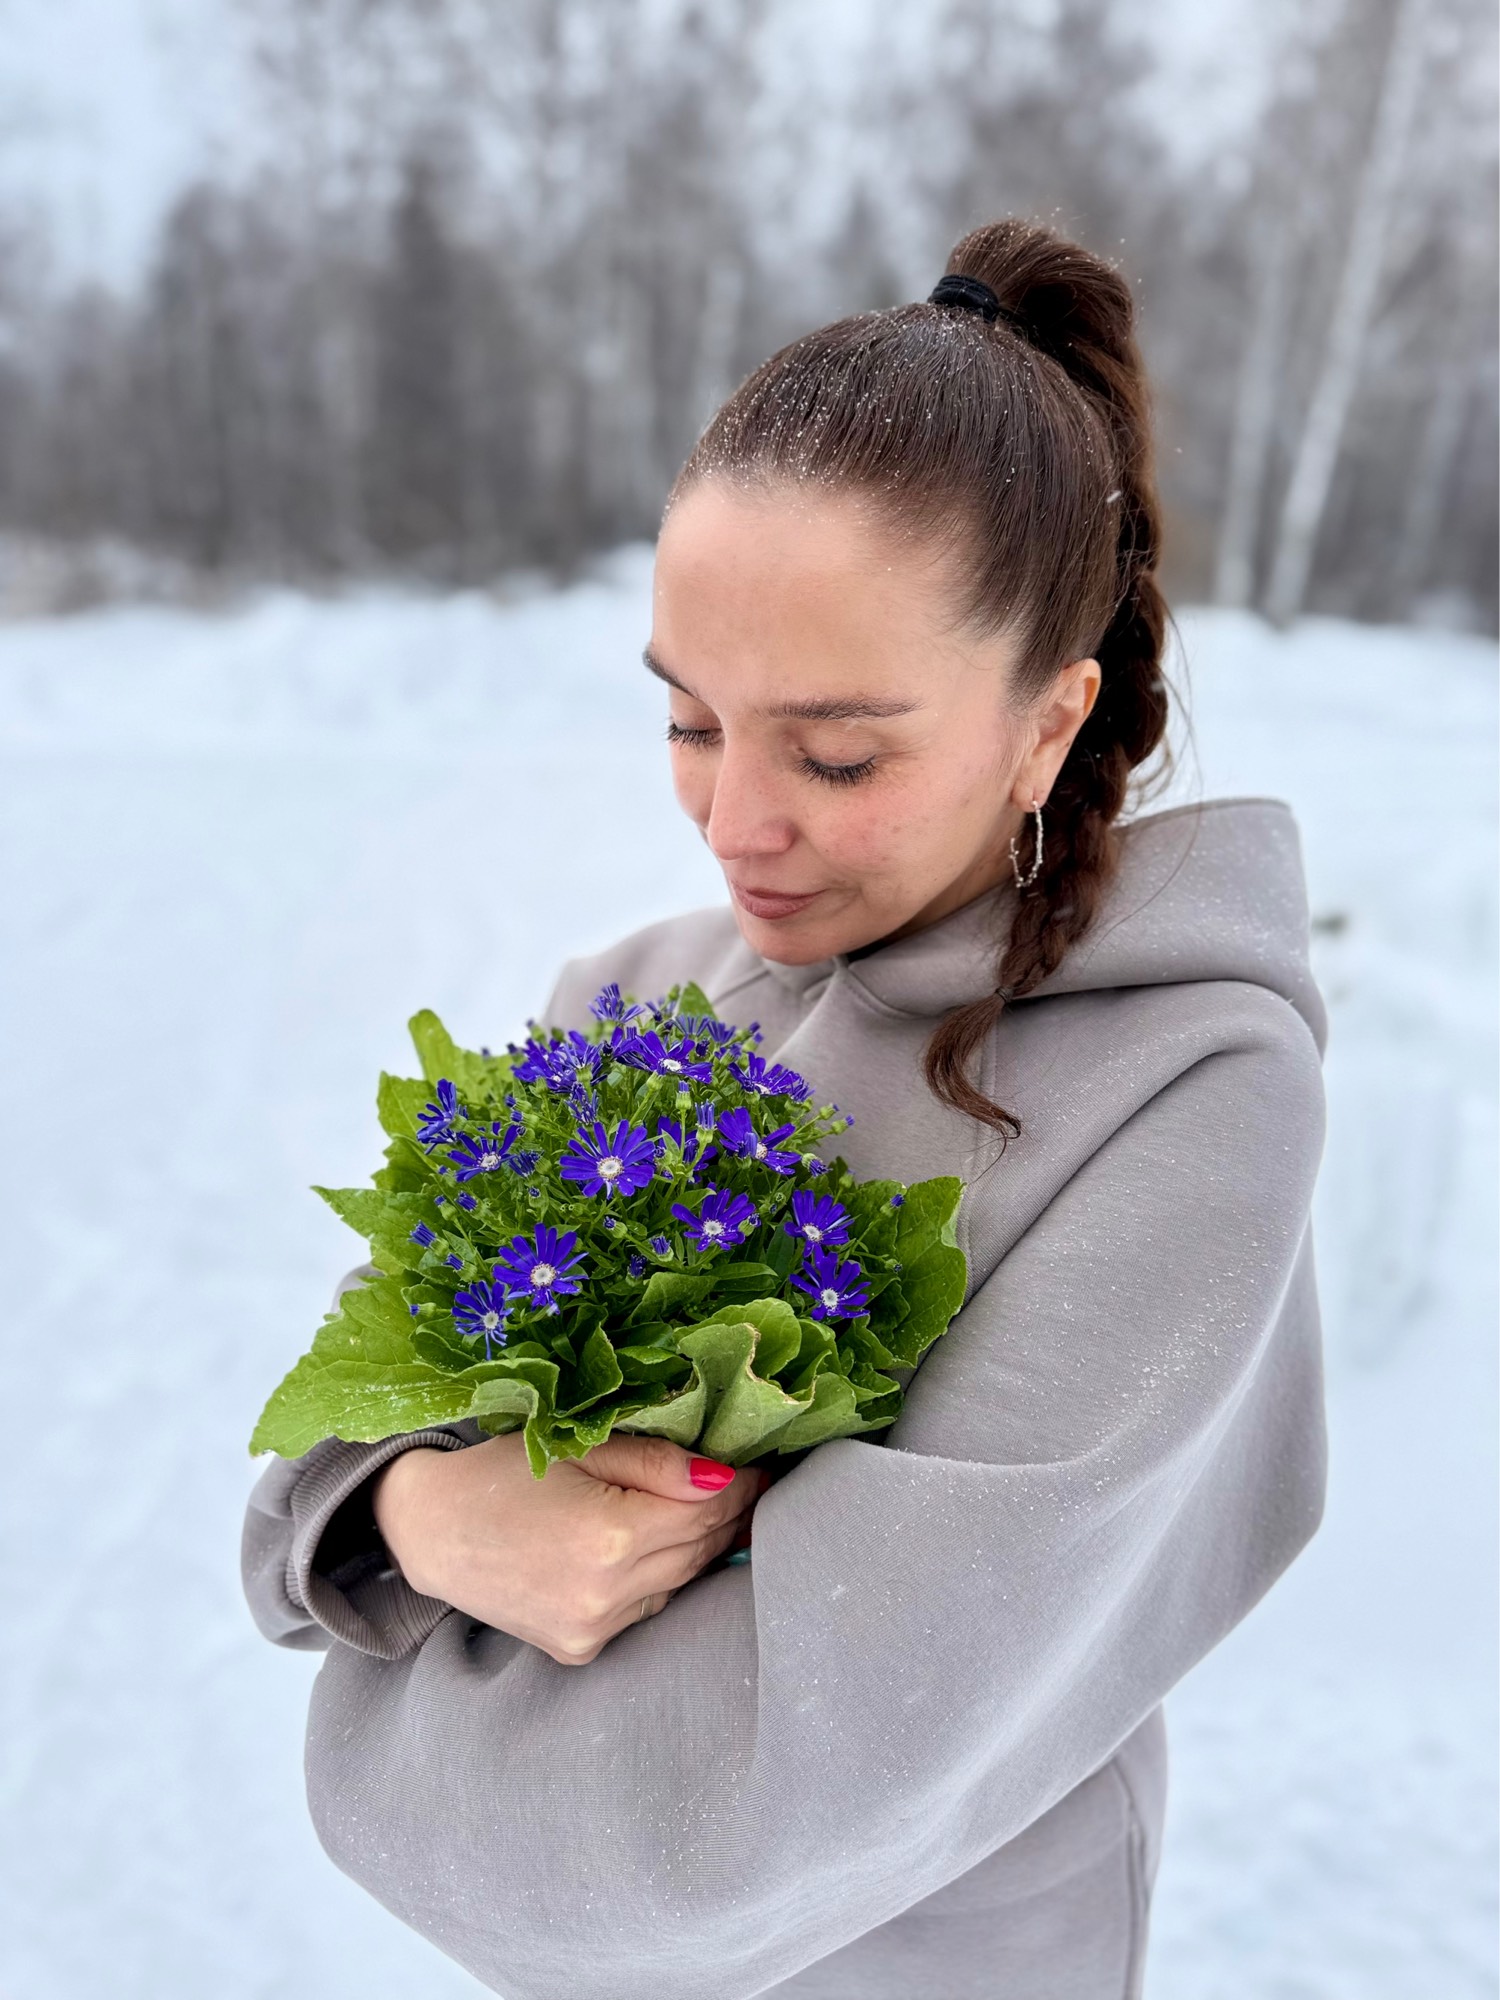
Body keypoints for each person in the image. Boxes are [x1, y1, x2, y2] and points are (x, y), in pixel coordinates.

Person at [242, 218, 1328, 1999]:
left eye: (837, 755)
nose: (735, 824)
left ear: (1049, 725)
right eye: (690, 721)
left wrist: (395, 1681)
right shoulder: (630, 1003)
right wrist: (419, 1523)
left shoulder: (1188, 1093)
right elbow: (306, 1481)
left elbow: (707, 1829)